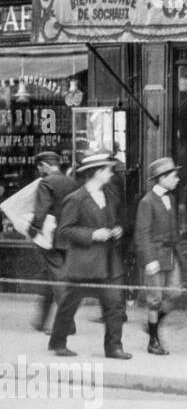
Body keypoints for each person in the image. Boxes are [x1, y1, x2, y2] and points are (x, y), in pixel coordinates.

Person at [48, 152, 130, 359]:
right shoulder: (75, 199)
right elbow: (64, 230)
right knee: (69, 304)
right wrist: (93, 234)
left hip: (110, 262)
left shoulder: (110, 195)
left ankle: (114, 347)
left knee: (114, 304)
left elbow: (114, 220)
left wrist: (117, 229)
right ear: (97, 172)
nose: (111, 173)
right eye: (108, 170)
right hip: (84, 262)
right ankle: (58, 342)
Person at [134, 157, 185, 356]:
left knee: (175, 293)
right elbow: (142, 234)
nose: (177, 179)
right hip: (155, 256)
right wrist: (149, 261)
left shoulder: (171, 198)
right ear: (162, 178)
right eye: (174, 176)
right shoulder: (147, 201)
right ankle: (153, 340)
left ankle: (152, 324)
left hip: (171, 254)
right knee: (154, 299)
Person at [27, 151, 77, 334]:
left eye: (39, 167)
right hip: (67, 237)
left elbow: (40, 213)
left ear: (45, 165)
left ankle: (66, 325)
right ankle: (41, 321)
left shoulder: (46, 182)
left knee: (57, 279)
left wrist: (32, 230)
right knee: (49, 276)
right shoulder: (71, 182)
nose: (39, 171)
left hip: (50, 238)